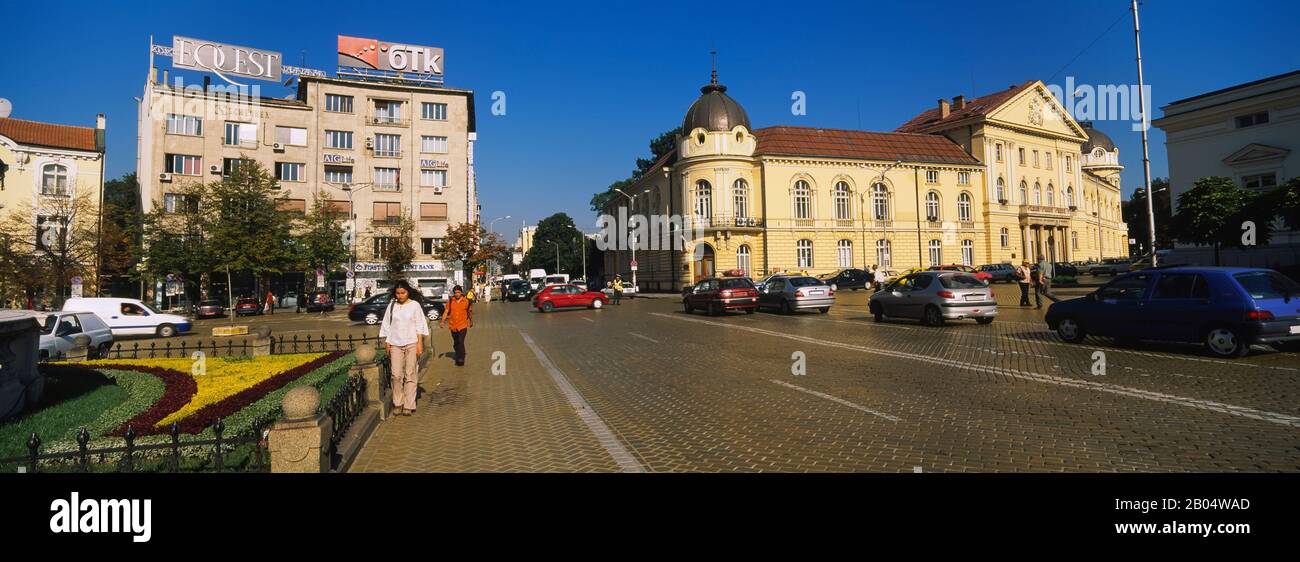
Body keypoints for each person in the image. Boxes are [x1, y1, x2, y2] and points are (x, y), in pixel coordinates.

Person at [379, 281, 429, 416]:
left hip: (412, 342)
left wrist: (420, 343)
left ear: (408, 292)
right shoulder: (392, 306)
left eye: (403, 293)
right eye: (398, 293)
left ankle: (409, 404)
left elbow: (420, 325)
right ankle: (398, 402)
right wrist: (387, 342)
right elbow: (387, 325)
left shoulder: (415, 305)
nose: (400, 296)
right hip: (395, 343)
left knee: (410, 373)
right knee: (396, 374)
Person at [439, 285, 473, 367]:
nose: (457, 294)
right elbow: (446, 312)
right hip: (453, 325)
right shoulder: (451, 302)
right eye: (455, 293)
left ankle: (460, 358)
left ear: (461, 292)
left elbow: (470, 312)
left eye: (458, 292)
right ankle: (458, 352)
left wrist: (471, 321)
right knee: (456, 342)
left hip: (463, 325)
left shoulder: (466, 301)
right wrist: (442, 321)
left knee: (461, 341)